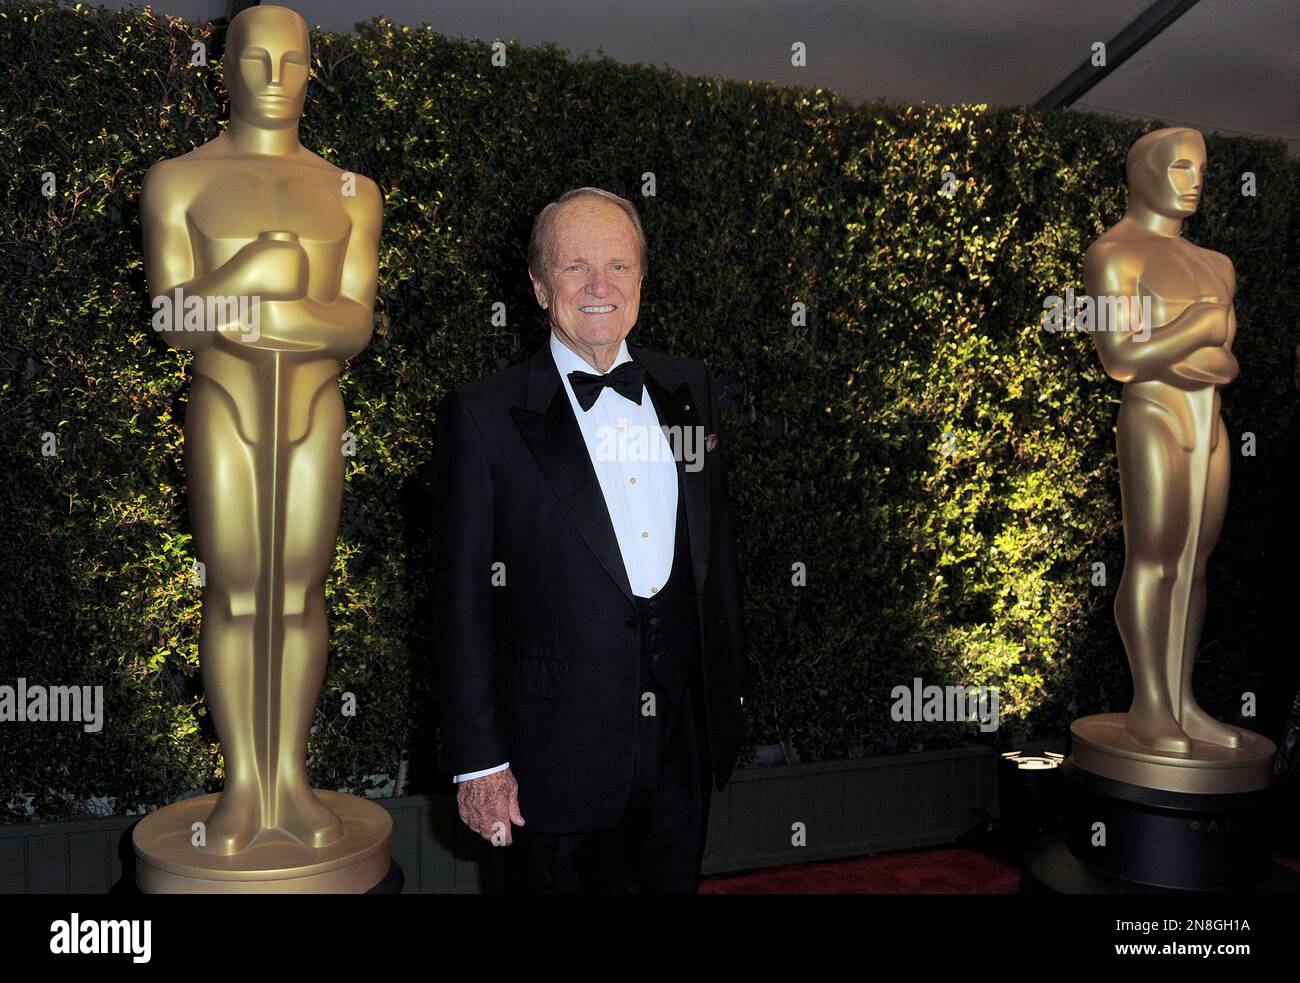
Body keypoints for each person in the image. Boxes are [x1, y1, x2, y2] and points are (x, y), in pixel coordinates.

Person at [431, 187, 748, 892]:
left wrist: (722, 707)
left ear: (641, 279)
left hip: (678, 756)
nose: (600, 286)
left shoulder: (688, 386)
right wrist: (479, 761)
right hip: (551, 766)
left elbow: (713, 556)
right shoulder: (482, 416)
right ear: (541, 286)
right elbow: (460, 607)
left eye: (618, 266)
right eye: (575, 267)